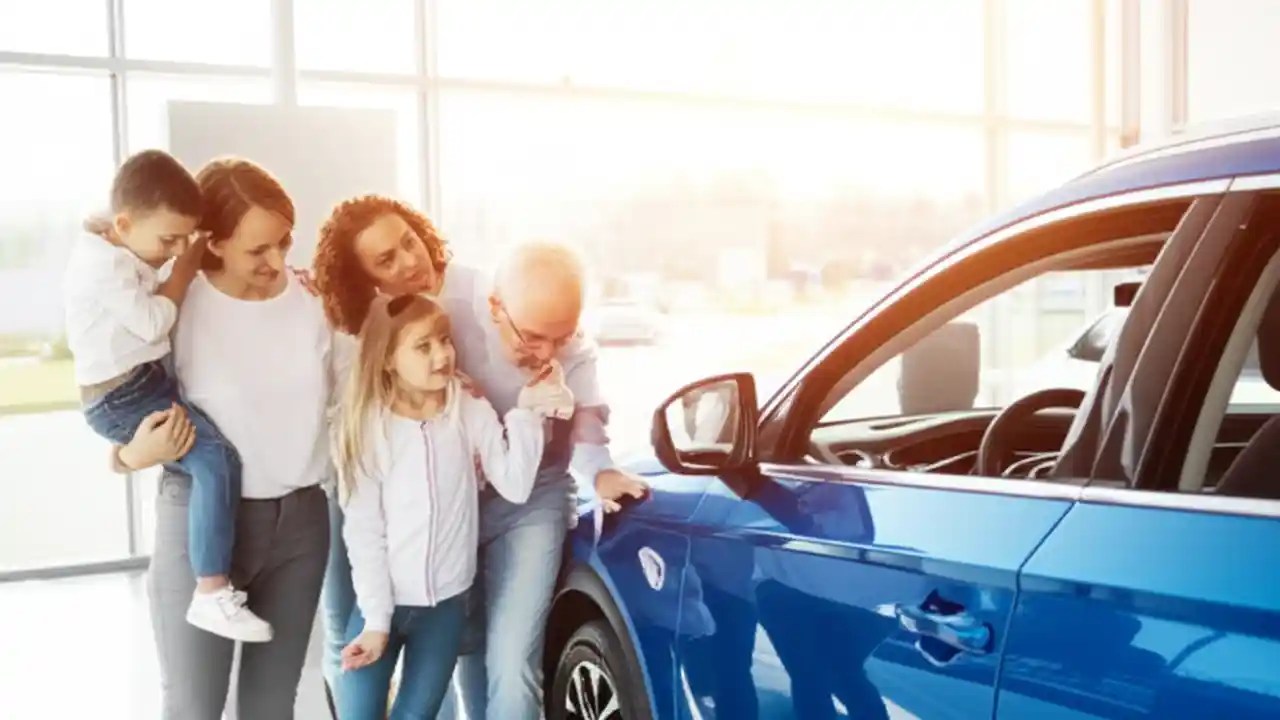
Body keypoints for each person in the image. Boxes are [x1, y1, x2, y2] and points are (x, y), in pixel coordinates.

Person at [312, 195, 648, 719]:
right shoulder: (384, 336)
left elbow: (582, 403)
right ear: (369, 283)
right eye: (386, 260)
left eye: (409, 241)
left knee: (509, 659)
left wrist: (597, 466)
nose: (409, 261)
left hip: (528, 496)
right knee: (454, 651)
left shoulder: (507, 297)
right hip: (452, 510)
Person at [114, 157, 341, 719]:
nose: (278, 261)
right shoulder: (174, 309)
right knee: (194, 707)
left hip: (301, 526)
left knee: (272, 707)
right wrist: (125, 456)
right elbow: (117, 399)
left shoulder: (315, 302)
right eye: (258, 249)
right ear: (211, 243)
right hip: (200, 520)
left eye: (284, 242)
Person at [66, 149, 271, 644]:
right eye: (169, 239)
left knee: (210, 457)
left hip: (137, 385)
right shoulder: (105, 268)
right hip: (123, 395)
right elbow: (155, 322)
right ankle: (211, 590)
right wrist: (185, 269)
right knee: (215, 460)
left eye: (187, 238)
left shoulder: (119, 247)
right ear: (124, 222)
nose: (178, 249)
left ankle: (212, 583)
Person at [335, 293, 571, 719]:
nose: (442, 354)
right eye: (423, 346)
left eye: (444, 340)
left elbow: (515, 484)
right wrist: (376, 622)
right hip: (381, 603)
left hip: (444, 609)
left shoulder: (468, 410)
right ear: (388, 360)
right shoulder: (369, 429)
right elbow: (364, 531)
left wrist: (527, 413)